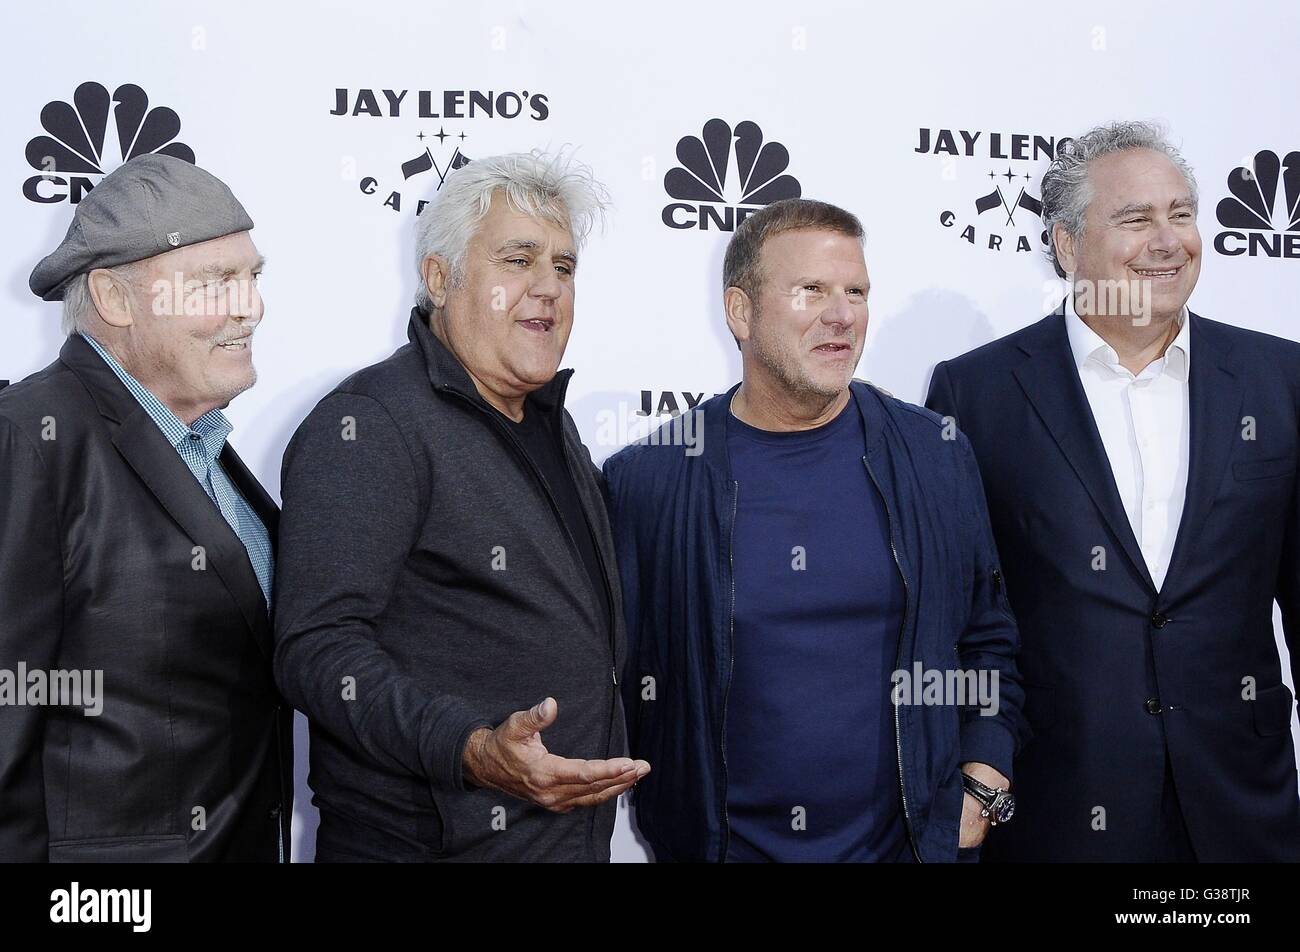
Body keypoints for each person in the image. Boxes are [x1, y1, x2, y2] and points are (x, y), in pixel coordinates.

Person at [604, 198, 1025, 862]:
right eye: (811, 292)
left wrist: (983, 779)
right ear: (740, 311)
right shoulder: (649, 481)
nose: (842, 315)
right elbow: (613, 680)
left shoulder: (935, 453)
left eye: (856, 291)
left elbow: (987, 638)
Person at [927, 120, 1300, 861]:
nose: (1168, 241)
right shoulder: (977, 391)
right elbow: (960, 614)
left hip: (1242, 807)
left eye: (1182, 214)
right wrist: (974, 766)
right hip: (1056, 806)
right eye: (1135, 219)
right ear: (1068, 247)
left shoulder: (1280, 379)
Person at [274, 151, 649, 862]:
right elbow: (316, 649)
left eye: (564, 268)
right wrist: (472, 749)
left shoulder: (548, 422)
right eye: (518, 260)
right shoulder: (371, 424)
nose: (547, 288)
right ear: (439, 278)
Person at [0, 154, 289, 862]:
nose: (249, 306)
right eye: (214, 283)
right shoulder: (32, 436)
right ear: (114, 298)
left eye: (252, 277)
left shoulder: (204, 447)